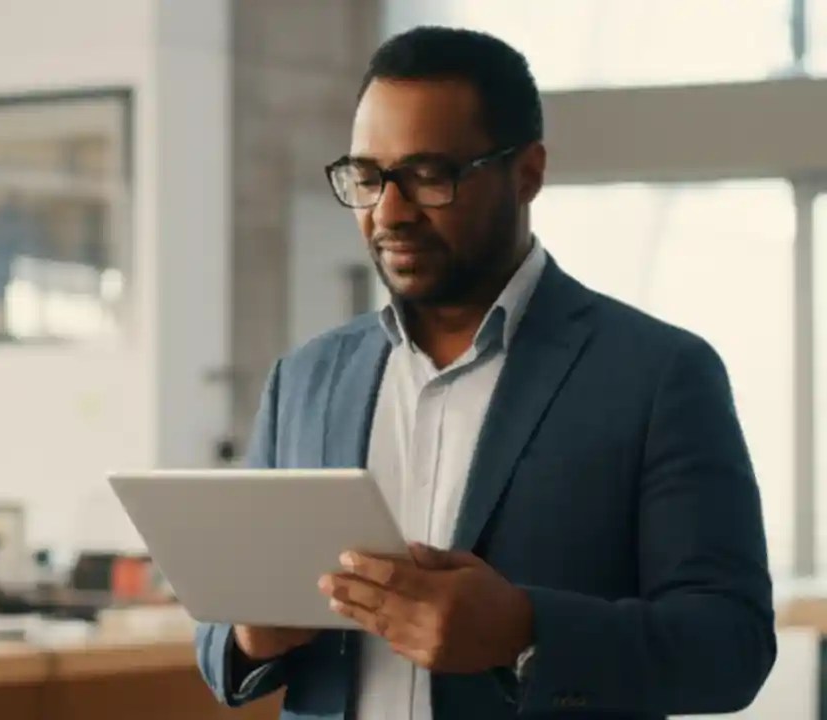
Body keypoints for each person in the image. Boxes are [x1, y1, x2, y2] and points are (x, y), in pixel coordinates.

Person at [195, 26, 775, 720]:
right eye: (368, 177)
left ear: (527, 172)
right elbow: (222, 631)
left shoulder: (660, 376)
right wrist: (250, 637)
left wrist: (524, 632)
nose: (389, 211)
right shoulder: (306, 380)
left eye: (428, 177)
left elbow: (731, 649)